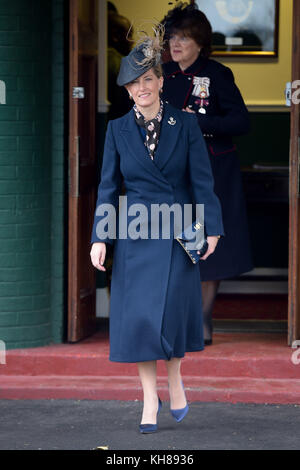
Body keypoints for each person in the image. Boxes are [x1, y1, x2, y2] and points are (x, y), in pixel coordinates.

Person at [90, 29, 224, 433]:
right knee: (140, 320)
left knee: (170, 316)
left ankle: (176, 379)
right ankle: (150, 398)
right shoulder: (117, 130)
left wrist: (212, 227)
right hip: (135, 234)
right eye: (134, 82)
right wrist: (100, 236)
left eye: (148, 78)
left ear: (161, 81)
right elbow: (108, 187)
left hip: (180, 231)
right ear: (128, 89)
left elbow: (203, 181)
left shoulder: (185, 124)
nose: (141, 88)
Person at [161, 2, 253, 345]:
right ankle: (178, 319)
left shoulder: (217, 74)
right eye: (173, 36)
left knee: (210, 246)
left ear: (200, 42)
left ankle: (202, 319)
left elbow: (241, 122)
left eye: (184, 37)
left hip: (214, 172)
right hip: (172, 173)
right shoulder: (162, 75)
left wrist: (201, 122)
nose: (176, 44)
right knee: (174, 244)